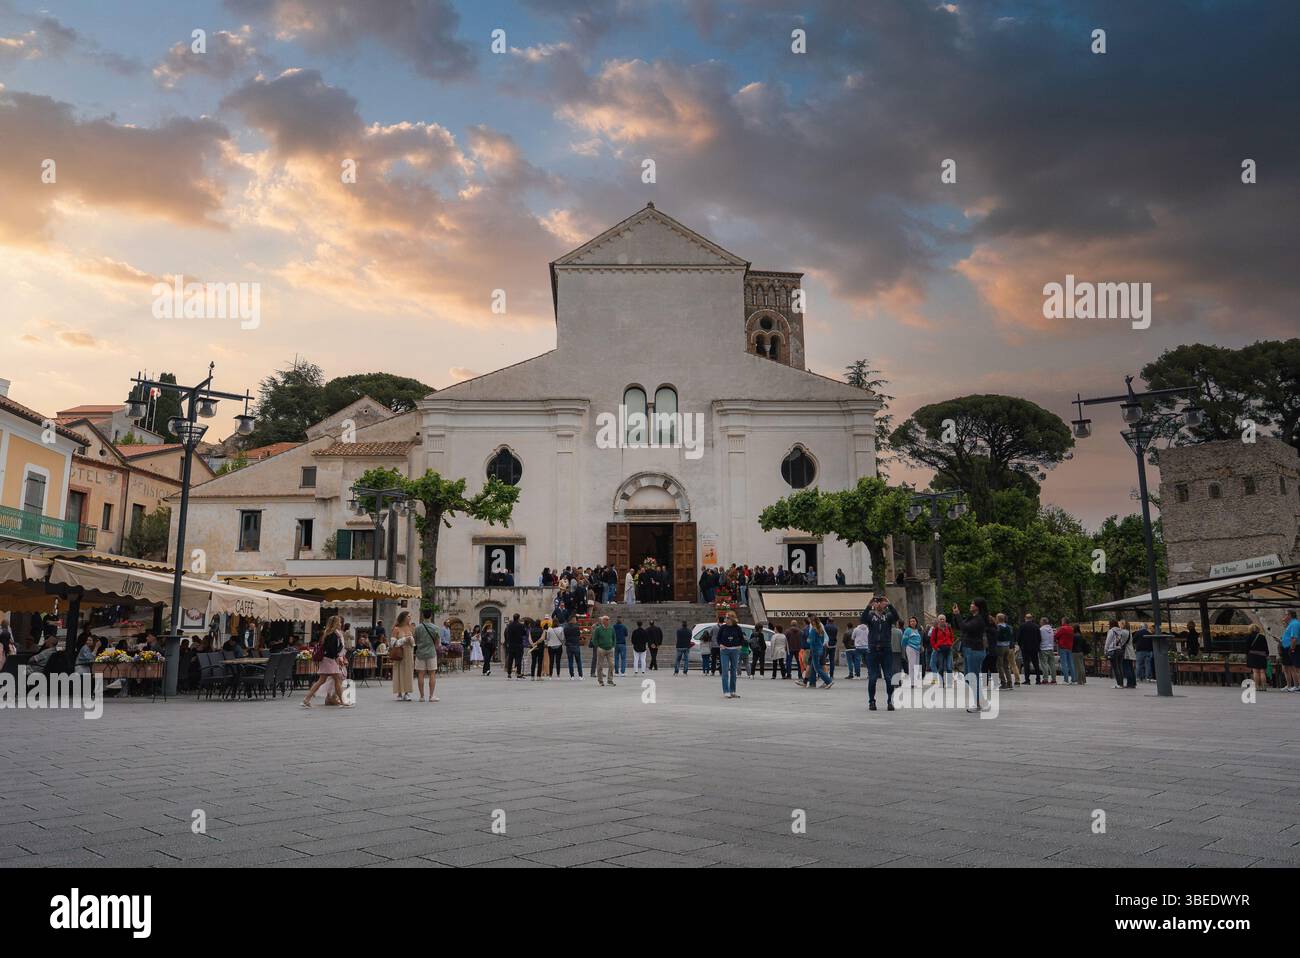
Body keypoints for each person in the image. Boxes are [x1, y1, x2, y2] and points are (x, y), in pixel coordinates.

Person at [302, 615, 352, 708]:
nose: (341, 624)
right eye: (339, 622)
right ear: (335, 623)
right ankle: (342, 701)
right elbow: (331, 649)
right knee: (336, 679)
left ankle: (306, 699)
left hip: (327, 660)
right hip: (330, 660)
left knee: (322, 680)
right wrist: (338, 657)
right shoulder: (332, 634)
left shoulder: (330, 633)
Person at [860, 596, 898, 709]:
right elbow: (862, 620)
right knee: (872, 677)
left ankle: (890, 701)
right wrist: (868, 606)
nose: (880, 604)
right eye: (877, 602)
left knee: (888, 677)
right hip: (872, 649)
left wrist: (890, 605)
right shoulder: (871, 616)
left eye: (882, 602)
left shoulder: (888, 616)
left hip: (886, 649)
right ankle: (872, 701)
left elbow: (897, 617)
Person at [954, 600, 991, 713]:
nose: (970, 605)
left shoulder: (979, 619)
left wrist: (958, 615)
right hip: (970, 649)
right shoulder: (973, 617)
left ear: (978, 607)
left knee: (973, 678)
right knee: (969, 678)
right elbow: (960, 626)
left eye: (973, 604)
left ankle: (979, 704)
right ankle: (981, 701)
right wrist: (956, 615)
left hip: (974, 650)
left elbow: (965, 628)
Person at [801, 613, 834, 690]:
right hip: (820, 649)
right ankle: (812, 683)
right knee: (812, 665)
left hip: (814, 650)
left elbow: (810, 641)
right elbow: (822, 640)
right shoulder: (820, 629)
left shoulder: (813, 630)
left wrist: (808, 640)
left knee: (817, 668)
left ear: (812, 622)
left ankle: (828, 681)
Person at [413, 609, 440, 702]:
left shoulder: (417, 628)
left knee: (420, 674)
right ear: (431, 616)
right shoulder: (435, 628)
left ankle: (421, 696)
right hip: (431, 653)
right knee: (432, 674)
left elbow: (415, 641)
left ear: (423, 616)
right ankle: (431, 696)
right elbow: (438, 643)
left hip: (420, 653)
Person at [717, 611, 745, 698]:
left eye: (728, 618)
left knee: (733, 671)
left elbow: (742, 638)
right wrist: (720, 644)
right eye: (725, 618)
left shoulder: (737, 628)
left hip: (735, 650)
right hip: (724, 650)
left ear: (732, 618)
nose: (726, 619)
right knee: (725, 671)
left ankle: (733, 691)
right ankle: (726, 691)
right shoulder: (723, 628)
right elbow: (718, 638)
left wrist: (740, 645)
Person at [388, 610, 416, 701]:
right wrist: (404, 640)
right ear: (403, 618)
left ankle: (407, 693)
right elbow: (392, 643)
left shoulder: (410, 628)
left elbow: (414, 643)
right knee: (399, 672)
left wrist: (411, 640)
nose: (410, 618)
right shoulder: (396, 629)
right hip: (399, 653)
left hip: (409, 653)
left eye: (410, 616)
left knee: (408, 672)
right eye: (408, 616)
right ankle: (399, 693)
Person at [928, 614, 955, 687]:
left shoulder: (949, 628)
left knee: (949, 666)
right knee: (941, 667)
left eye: (943, 619)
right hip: (940, 650)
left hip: (948, 649)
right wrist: (936, 648)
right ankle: (942, 682)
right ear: (938, 620)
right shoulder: (935, 629)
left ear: (945, 620)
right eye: (940, 619)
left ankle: (949, 683)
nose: (942, 620)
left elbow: (952, 637)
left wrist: (951, 644)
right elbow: (932, 640)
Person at [1016, 613, 1042, 686]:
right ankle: (1038, 680)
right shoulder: (1036, 626)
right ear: (1032, 618)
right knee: (1036, 663)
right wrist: (1037, 645)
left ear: (1025, 618)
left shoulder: (1022, 626)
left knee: (1026, 663)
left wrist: (1021, 645)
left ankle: (1027, 680)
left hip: (1025, 647)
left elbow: (1019, 637)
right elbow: (1039, 638)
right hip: (1034, 647)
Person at [591, 615, 616, 687]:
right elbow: (594, 639)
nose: (608, 621)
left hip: (610, 649)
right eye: (607, 619)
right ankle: (600, 680)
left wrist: (613, 645)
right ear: (603, 621)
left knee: (612, 664)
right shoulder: (598, 629)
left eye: (608, 619)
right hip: (601, 649)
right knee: (600, 665)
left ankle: (610, 680)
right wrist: (598, 646)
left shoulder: (611, 628)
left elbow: (614, 637)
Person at [1278, 611, 1299, 692]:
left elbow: (1294, 638)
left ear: (1290, 615)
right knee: (1288, 668)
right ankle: (1292, 685)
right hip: (1287, 647)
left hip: (1292, 648)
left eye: (1286, 614)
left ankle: (1297, 686)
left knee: (1294, 668)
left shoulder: (1294, 624)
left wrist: (1292, 649)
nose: (1284, 616)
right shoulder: (1291, 624)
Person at [1246, 624, 1270, 691]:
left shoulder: (1249, 637)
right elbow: (1266, 647)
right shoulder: (1262, 637)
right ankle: (1264, 687)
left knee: (1255, 672)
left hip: (1253, 655)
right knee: (1262, 672)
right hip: (1262, 655)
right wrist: (1267, 654)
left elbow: (1246, 647)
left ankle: (1257, 686)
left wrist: (1247, 654)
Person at [503, 614, 527, 680]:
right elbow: (524, 633)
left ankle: (509, 674)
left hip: (511, 645)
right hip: (519, 644)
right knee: (518, 659)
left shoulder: (509, 626)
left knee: (510, 659)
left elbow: (507, 634)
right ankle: (518, 674)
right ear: (518, 618)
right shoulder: (521, 625)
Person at [902, 616, 923, 687]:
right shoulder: (908, 630)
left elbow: (919, 640)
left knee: (917, 665)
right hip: (910, 648)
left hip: (917, 649)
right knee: (912, 665)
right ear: (909, 623)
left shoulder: (917, 630)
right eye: (911, 621)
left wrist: (920, 646)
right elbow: (904, 641)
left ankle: (917, 681)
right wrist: (904, 649)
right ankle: (911, 682)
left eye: (914, 621)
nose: (912, 622)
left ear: (916, 622)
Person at [1055, 618, 1076, 685]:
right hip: (1070, 647)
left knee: (1064, 664)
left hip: (1063, 647)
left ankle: (1066, 680)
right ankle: (1073, 679)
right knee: (1071, 663)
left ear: (1064, 621)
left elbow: (1056, 636)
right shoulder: (1071, 629)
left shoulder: (1062, 628)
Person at [1038, 617, 1058, 684]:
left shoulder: (1041, 629)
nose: (1040, 623)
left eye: (1040, 621)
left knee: (1044, 664)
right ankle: (1054, 679)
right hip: (1051, 648)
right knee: (1052, 664)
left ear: (1043, 622)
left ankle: (1045, 679)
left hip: (1043, 648)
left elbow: (1039, 639)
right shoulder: (1051, 629)